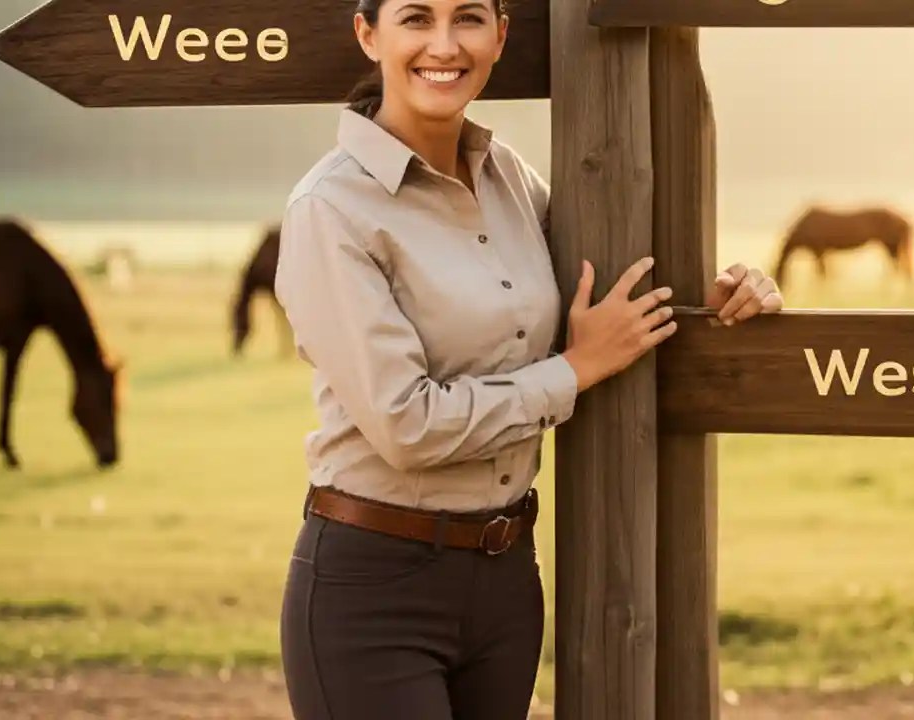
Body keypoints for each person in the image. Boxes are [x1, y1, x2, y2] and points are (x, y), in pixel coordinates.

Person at [273, 1, 784, 718]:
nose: (444, 45)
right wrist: (574, 371)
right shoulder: (330, 208)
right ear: (368, 34)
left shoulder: (507, 176)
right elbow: (406, 424)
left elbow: (607, 290)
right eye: (416, 18)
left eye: (468, 17)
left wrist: (721, 292)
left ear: (501, 35)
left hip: (506, 581)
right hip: (373, 589)